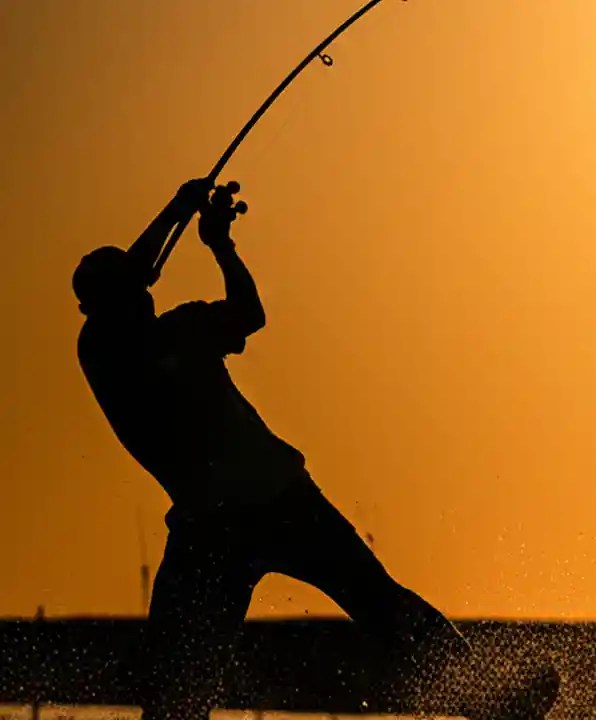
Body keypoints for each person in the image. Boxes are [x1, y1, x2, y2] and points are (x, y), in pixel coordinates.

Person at [73, 179, 472, 720]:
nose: (143, 287)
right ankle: (484, 691)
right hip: (258, 508)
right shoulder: (117, 346)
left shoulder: (136, 342)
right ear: (115, 301)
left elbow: (246, 312)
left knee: (183, 678)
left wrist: (211, 237)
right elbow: (173, 285)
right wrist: (198, 227)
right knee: (370, 602)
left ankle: (484, 692)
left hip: (226, 520)